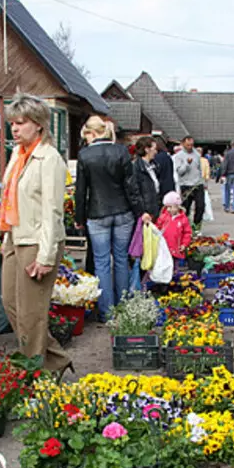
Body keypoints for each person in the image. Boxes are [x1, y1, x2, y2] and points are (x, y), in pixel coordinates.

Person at [0, 93, 73, 374]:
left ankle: (32, 374)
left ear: (39, 125)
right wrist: (6, 238)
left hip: (37, 240)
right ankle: (56, 360)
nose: (14, 129)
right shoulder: (18, 155)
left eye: (21, 123)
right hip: (14, 236)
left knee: (31, 313)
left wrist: (45, 256)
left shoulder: (49, 159)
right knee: (10, 304)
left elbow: (53, 212)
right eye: (12, 124)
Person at [75, 116, 143, 321]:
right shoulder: (121, 151)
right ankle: (123, 307)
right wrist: (140, 211)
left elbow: (81, 191)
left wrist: (79, 216)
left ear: (91, 133)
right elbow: (131, 186)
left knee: (102, 263)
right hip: (123, 212)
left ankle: (107, 313)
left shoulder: (84, 155)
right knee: (122, 259)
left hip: (97, 214)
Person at [130, 135, 164, 221]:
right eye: (154, 148)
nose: (156, 151)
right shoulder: (136, 168)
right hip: (145, 212)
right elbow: (134, 193)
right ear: (147, 149)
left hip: (155, 208)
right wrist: (142, 212)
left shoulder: (155, 166)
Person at [173, 135, 206, 225]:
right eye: (188, 145)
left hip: (197, 184)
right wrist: (187, 164)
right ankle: (185, 226)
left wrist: (202, 181)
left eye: (192, 145)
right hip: (185, 184)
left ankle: (196, 225)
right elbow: (179, 171)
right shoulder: (178, 156)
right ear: (183, 144)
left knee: (201, 206)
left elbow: (199, 169)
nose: (190, 147)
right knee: (185, 208)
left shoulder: (197, 154)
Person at [156, 191, 192, 263]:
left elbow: (187, 233)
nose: (168, 209)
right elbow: (157, 228)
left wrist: (184, 244)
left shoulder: (183, 219)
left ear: (177, 207)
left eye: (171, 207)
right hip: (164, 247)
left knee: (174, 264)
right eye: (167, 207)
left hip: (176, 247)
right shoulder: (163, 217)